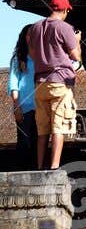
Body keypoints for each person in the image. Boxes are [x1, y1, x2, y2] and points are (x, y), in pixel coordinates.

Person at [27, 0, 81, 170]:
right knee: (59, 126)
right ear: (65, 10)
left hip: (40, 83)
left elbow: (32, 53)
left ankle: (39, 166)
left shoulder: (34, 28)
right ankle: (54, 167)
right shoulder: (64, 27)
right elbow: (76, 56)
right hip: (59, 81)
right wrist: (77, 40)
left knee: (43, 129)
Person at [8, 24, 37, 169]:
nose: (32, 37)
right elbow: (13, 84)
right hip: (24, 106)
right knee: (24, 141)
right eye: (29, 34)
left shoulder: (42, 57)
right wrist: (16, 106)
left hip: (41, 105)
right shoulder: (18, 59)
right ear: (24, 37)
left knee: (39, 140)